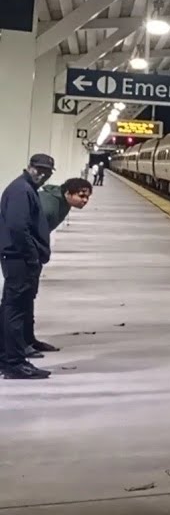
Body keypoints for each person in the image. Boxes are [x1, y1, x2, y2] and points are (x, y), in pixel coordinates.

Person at [18, 177, 94, 359]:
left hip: (32, 255)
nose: (85, 200)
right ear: (68, 193)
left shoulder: (63, 202)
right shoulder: (49, 206)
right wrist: (33, 256)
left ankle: (28, 340)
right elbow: (26, 231)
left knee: (29, 297)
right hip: (22, 256)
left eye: (88, 197)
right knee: (19, 300)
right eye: (81, 196)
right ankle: (17, 344)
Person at [0, 154, 55, 379]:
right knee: (14, 310)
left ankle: (9, 357)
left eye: (47, 172)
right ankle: (14, 363)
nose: (42, 174)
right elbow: (18, 227)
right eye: (38, 169)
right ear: (29, 167)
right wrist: (32, 257)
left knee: (14, 309)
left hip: (18, 258)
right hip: (19, 259)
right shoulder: (22, 190)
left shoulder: (24, 188)